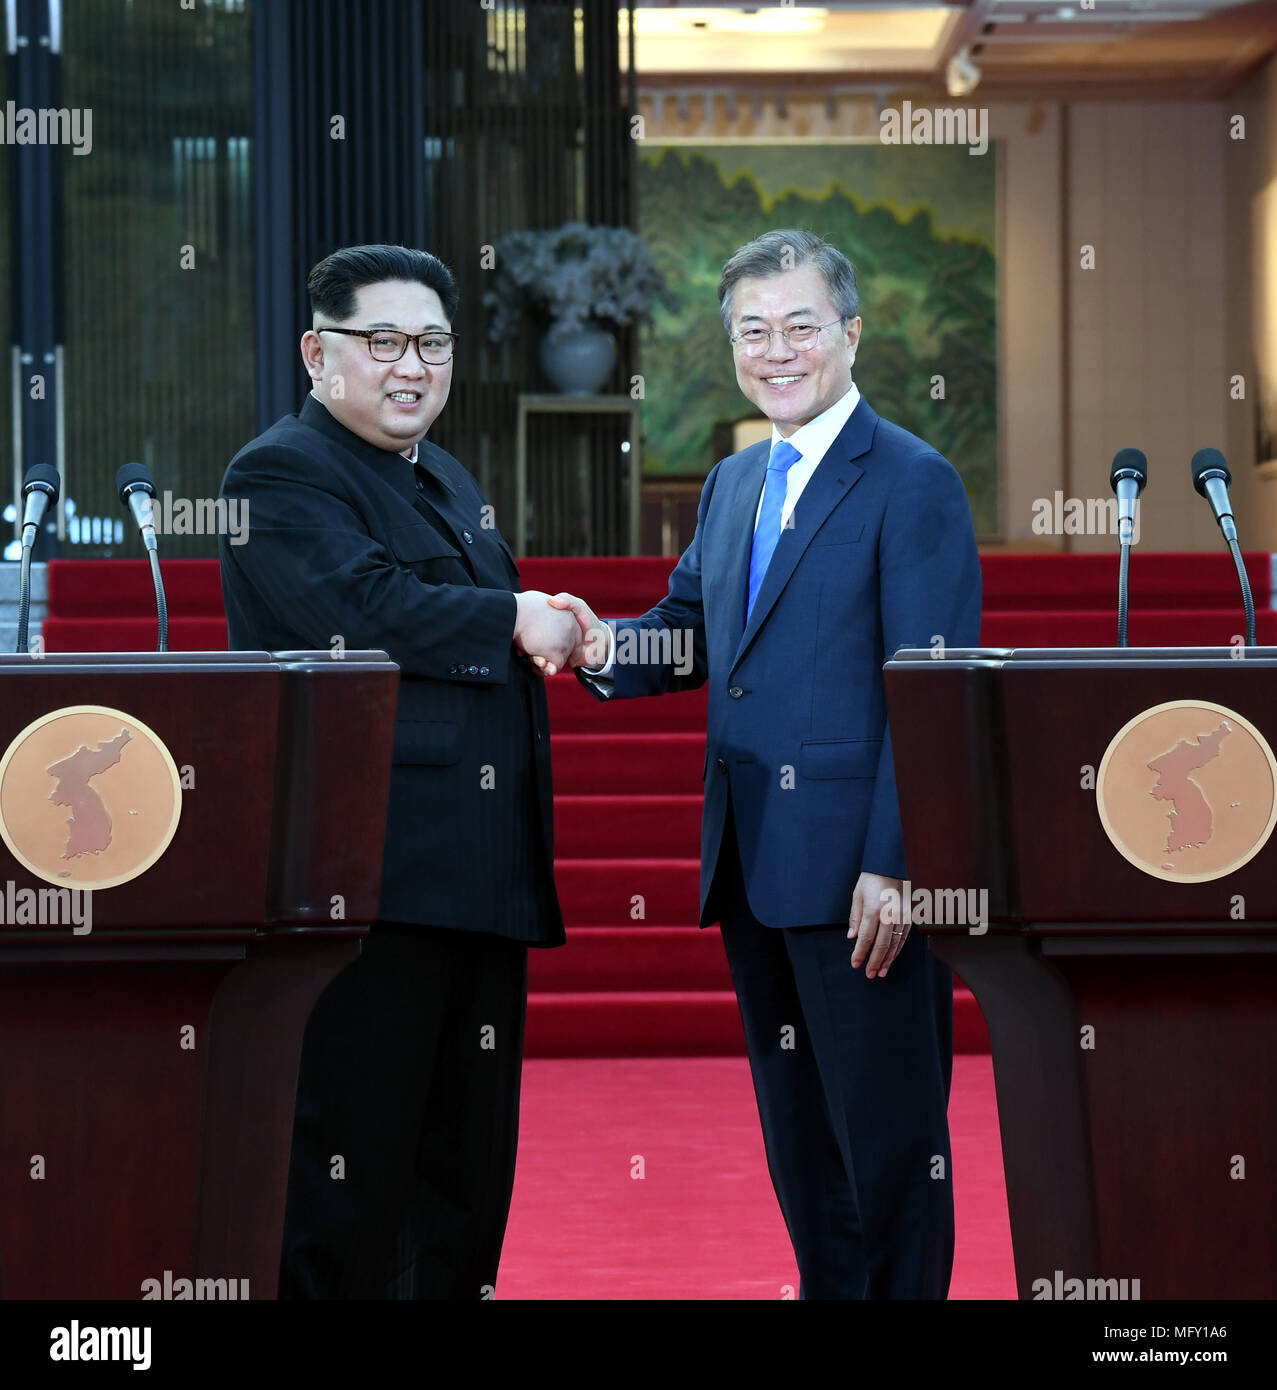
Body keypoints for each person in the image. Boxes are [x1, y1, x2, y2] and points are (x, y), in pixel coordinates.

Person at [552, 228, 982, 1300]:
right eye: (752, 329)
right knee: (802, 1150)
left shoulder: (911, 481)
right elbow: (692, 631)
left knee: (887, 1151)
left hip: (857, 880)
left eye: (799, 325)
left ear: (848, 331)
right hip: (752, 862)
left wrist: (897, 860)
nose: (775, 349)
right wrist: (605, 643)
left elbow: (929, 686)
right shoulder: (736, 480)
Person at [219, 243, 582, 1299]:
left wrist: (546, 625)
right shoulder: (278, 472)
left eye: (430, 342)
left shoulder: (445, 476)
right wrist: (515, 617)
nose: (409, 366)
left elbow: (471, 632)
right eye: (379, 342)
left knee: (460, 1190)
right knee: (349, 1188)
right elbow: (364, 608)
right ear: (315, 351)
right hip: (365, 887)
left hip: (474, 883)